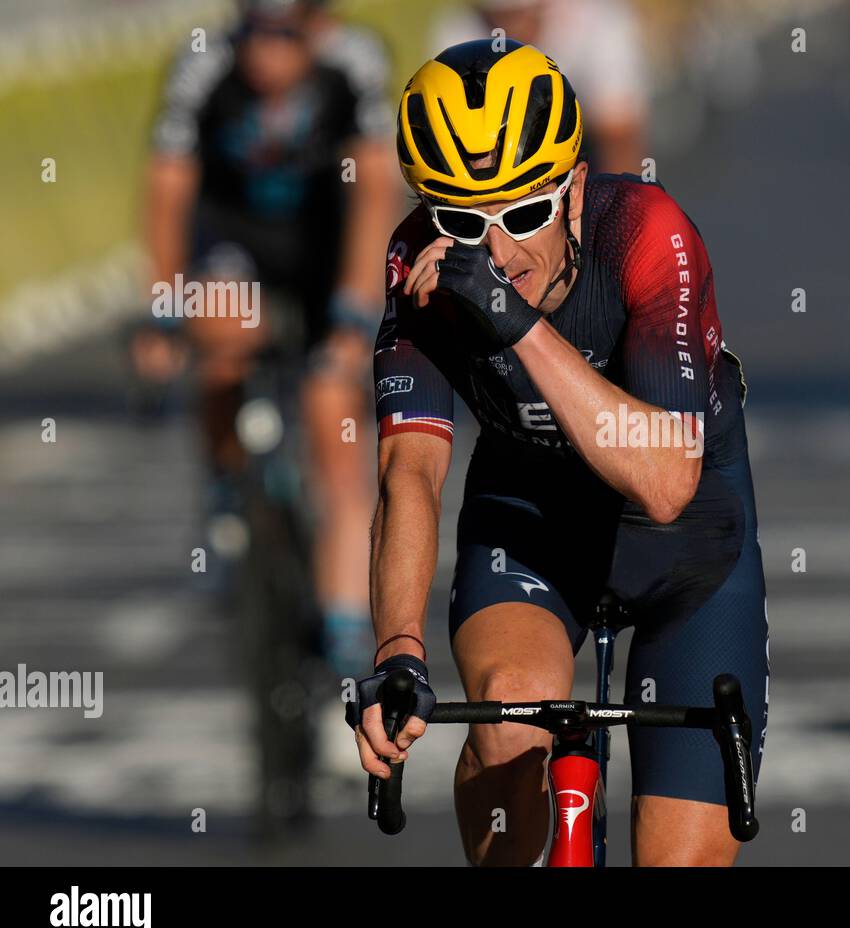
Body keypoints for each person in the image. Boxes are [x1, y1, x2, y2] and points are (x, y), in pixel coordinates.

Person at [355, 40, 769, 866]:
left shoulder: (648, 234)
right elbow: (411, 473)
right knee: (509, 716)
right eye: (464, 223)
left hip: (686, 549)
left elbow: (663, 482)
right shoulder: (418, 265)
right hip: (533, 523)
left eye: (522, 214)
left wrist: (514, 323)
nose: (497, 253)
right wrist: (397, 647)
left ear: (575, 190)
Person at [133, 0, 397, 676]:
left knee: (335, 418)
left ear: (317, 28)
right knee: (224, 331)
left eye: (285, 37)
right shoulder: (202, 64)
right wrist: (163, 310)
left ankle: (343, 625)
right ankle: (228, 482)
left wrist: (354, 310)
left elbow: (373, 189)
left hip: (320, 251)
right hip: (235, 240)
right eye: (255, 33)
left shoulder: (354, 63)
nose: (265, 55)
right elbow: (168, 188)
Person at [426, 0, 648, 175]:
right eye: (500, 18)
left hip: (584, 142)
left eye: (518, 15)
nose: (511, 28)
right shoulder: (457, 31)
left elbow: (618, 133)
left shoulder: (600, 22)